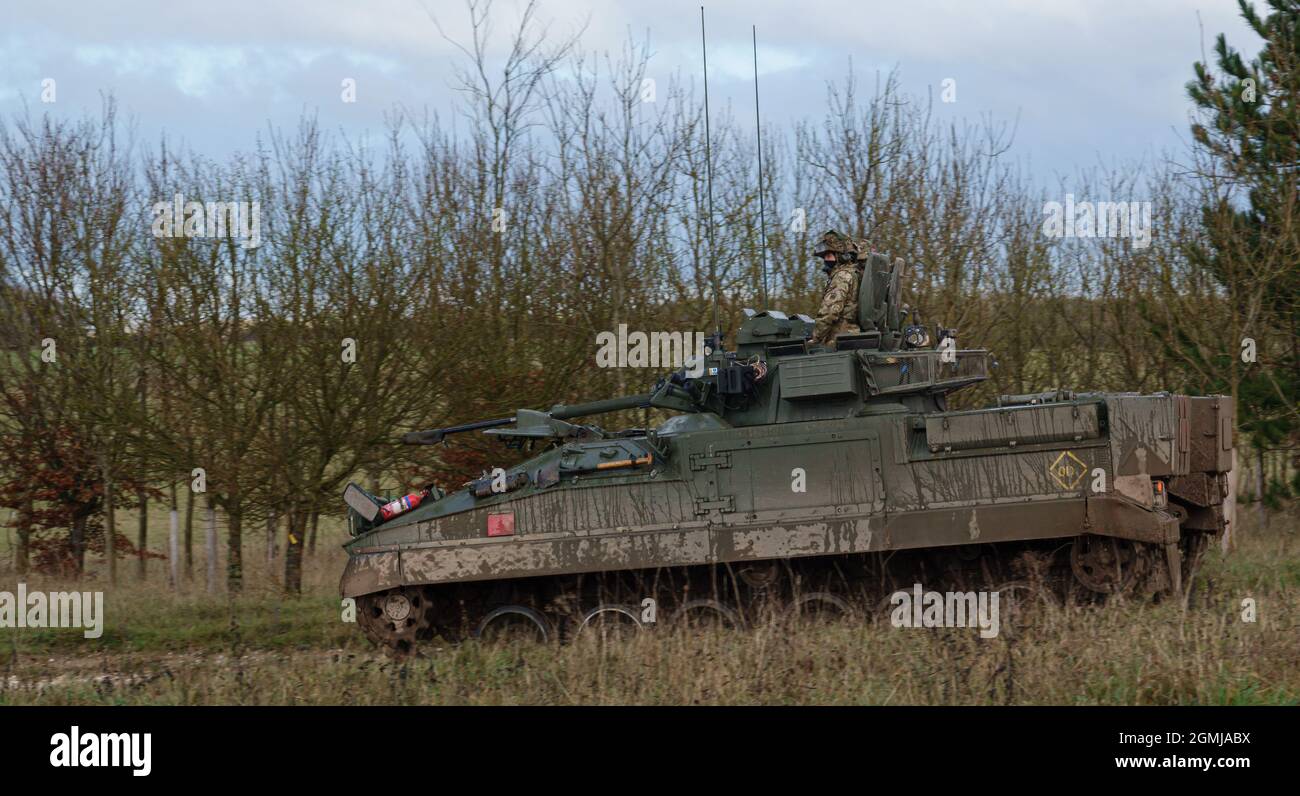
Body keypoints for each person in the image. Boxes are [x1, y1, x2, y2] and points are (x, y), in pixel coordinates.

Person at [810, 230, 868, 347]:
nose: (825, 260)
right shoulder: (854, 273)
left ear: (841, 256)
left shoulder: (842, 276)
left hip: (838, 338)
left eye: (828, 255)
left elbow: (829, 313)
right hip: (851, 335)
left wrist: (815, 338)